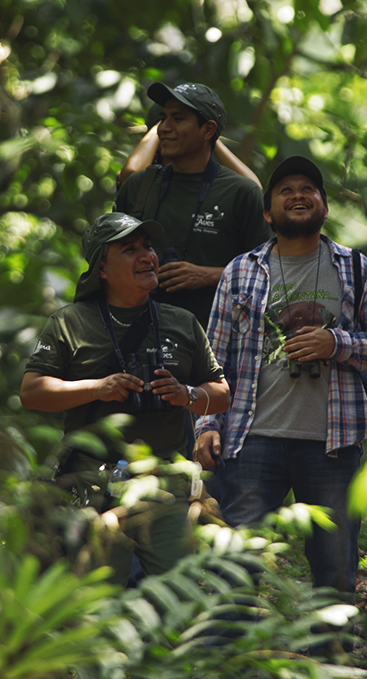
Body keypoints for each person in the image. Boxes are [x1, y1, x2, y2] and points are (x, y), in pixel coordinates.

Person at [193, 156, 367, 595]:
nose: (299, 195)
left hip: (333, 444)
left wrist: (337, 343)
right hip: (251, 438)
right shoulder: (241, 271)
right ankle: (226, 655)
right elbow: (212, 359)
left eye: (309, 188)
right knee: (236, 564)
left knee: (335, 566)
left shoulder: (357, 269)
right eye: (285, 190)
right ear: (268, 213)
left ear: (324, 206)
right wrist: (207, 425)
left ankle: (331, 657)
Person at [21, 212, 230, 585]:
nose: (146, 256)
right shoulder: (70, 322)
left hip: (165, 482)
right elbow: (32, 392)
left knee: (177, 594)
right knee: (95, 597)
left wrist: (187, 395)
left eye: (148, 247)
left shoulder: (181, 322)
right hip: (94, 484)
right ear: (102, 268)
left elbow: (221, 394)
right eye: (130, 249)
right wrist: (97, 387)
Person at [113, 83, 273, 328]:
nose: (164, 128)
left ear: (208, 130)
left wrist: (207, 276)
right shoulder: (140, 185)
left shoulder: (240, 192)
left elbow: (269, 272)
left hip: (214, 342)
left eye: (178, 119)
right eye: (162, 118)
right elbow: (109, 260)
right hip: (139, 336)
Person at [118, 103, 262, 189]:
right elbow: (131, 175)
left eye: (179, 120)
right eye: (163, 120)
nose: (167, 129)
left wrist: (209, 135)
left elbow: (252, 188)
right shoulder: (148, 176)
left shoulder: (209, 175)